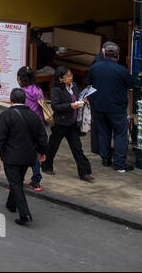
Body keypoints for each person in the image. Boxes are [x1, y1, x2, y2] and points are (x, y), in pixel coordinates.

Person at [0, 88, 48, 226]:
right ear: (25, 100)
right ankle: (11, 204)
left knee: (15, 182)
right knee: (17, 179)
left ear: (10, 100)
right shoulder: (34, 116)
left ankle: (25, 214)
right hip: (27, 155)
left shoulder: (6, 115)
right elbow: (42, 137)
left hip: (11, 156)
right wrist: (42, 152)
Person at [85, 42, 133, 173]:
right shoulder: (121, 70)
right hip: (116, 107)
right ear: (117, 56)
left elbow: (88, 83)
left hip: (98, 106)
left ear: (104, 53)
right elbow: (131, 84)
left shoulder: (95, 67)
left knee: (104, 132)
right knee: (120, 134)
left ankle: (105, 159)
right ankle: (119, 163)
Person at [46, 66, 94, 182]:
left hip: (72, 123)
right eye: (67, 76)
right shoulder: (56, 89)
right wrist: (70, 106)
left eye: (71, 75)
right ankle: (46, 165)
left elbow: (78, 97)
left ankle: (85, 172)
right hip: (60, 123)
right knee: (53, 146)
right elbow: (55, 106)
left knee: (77, 148)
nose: (70, 78)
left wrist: (83, 101)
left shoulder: (74, 86)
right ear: (61, 79)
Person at [18, 66, 47, 192]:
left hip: (26, 125)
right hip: (38, 125)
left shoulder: (23, 92)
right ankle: (36, 181)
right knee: (35, 153)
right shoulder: (37, 89)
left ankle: (22, 177)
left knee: (22, 152)